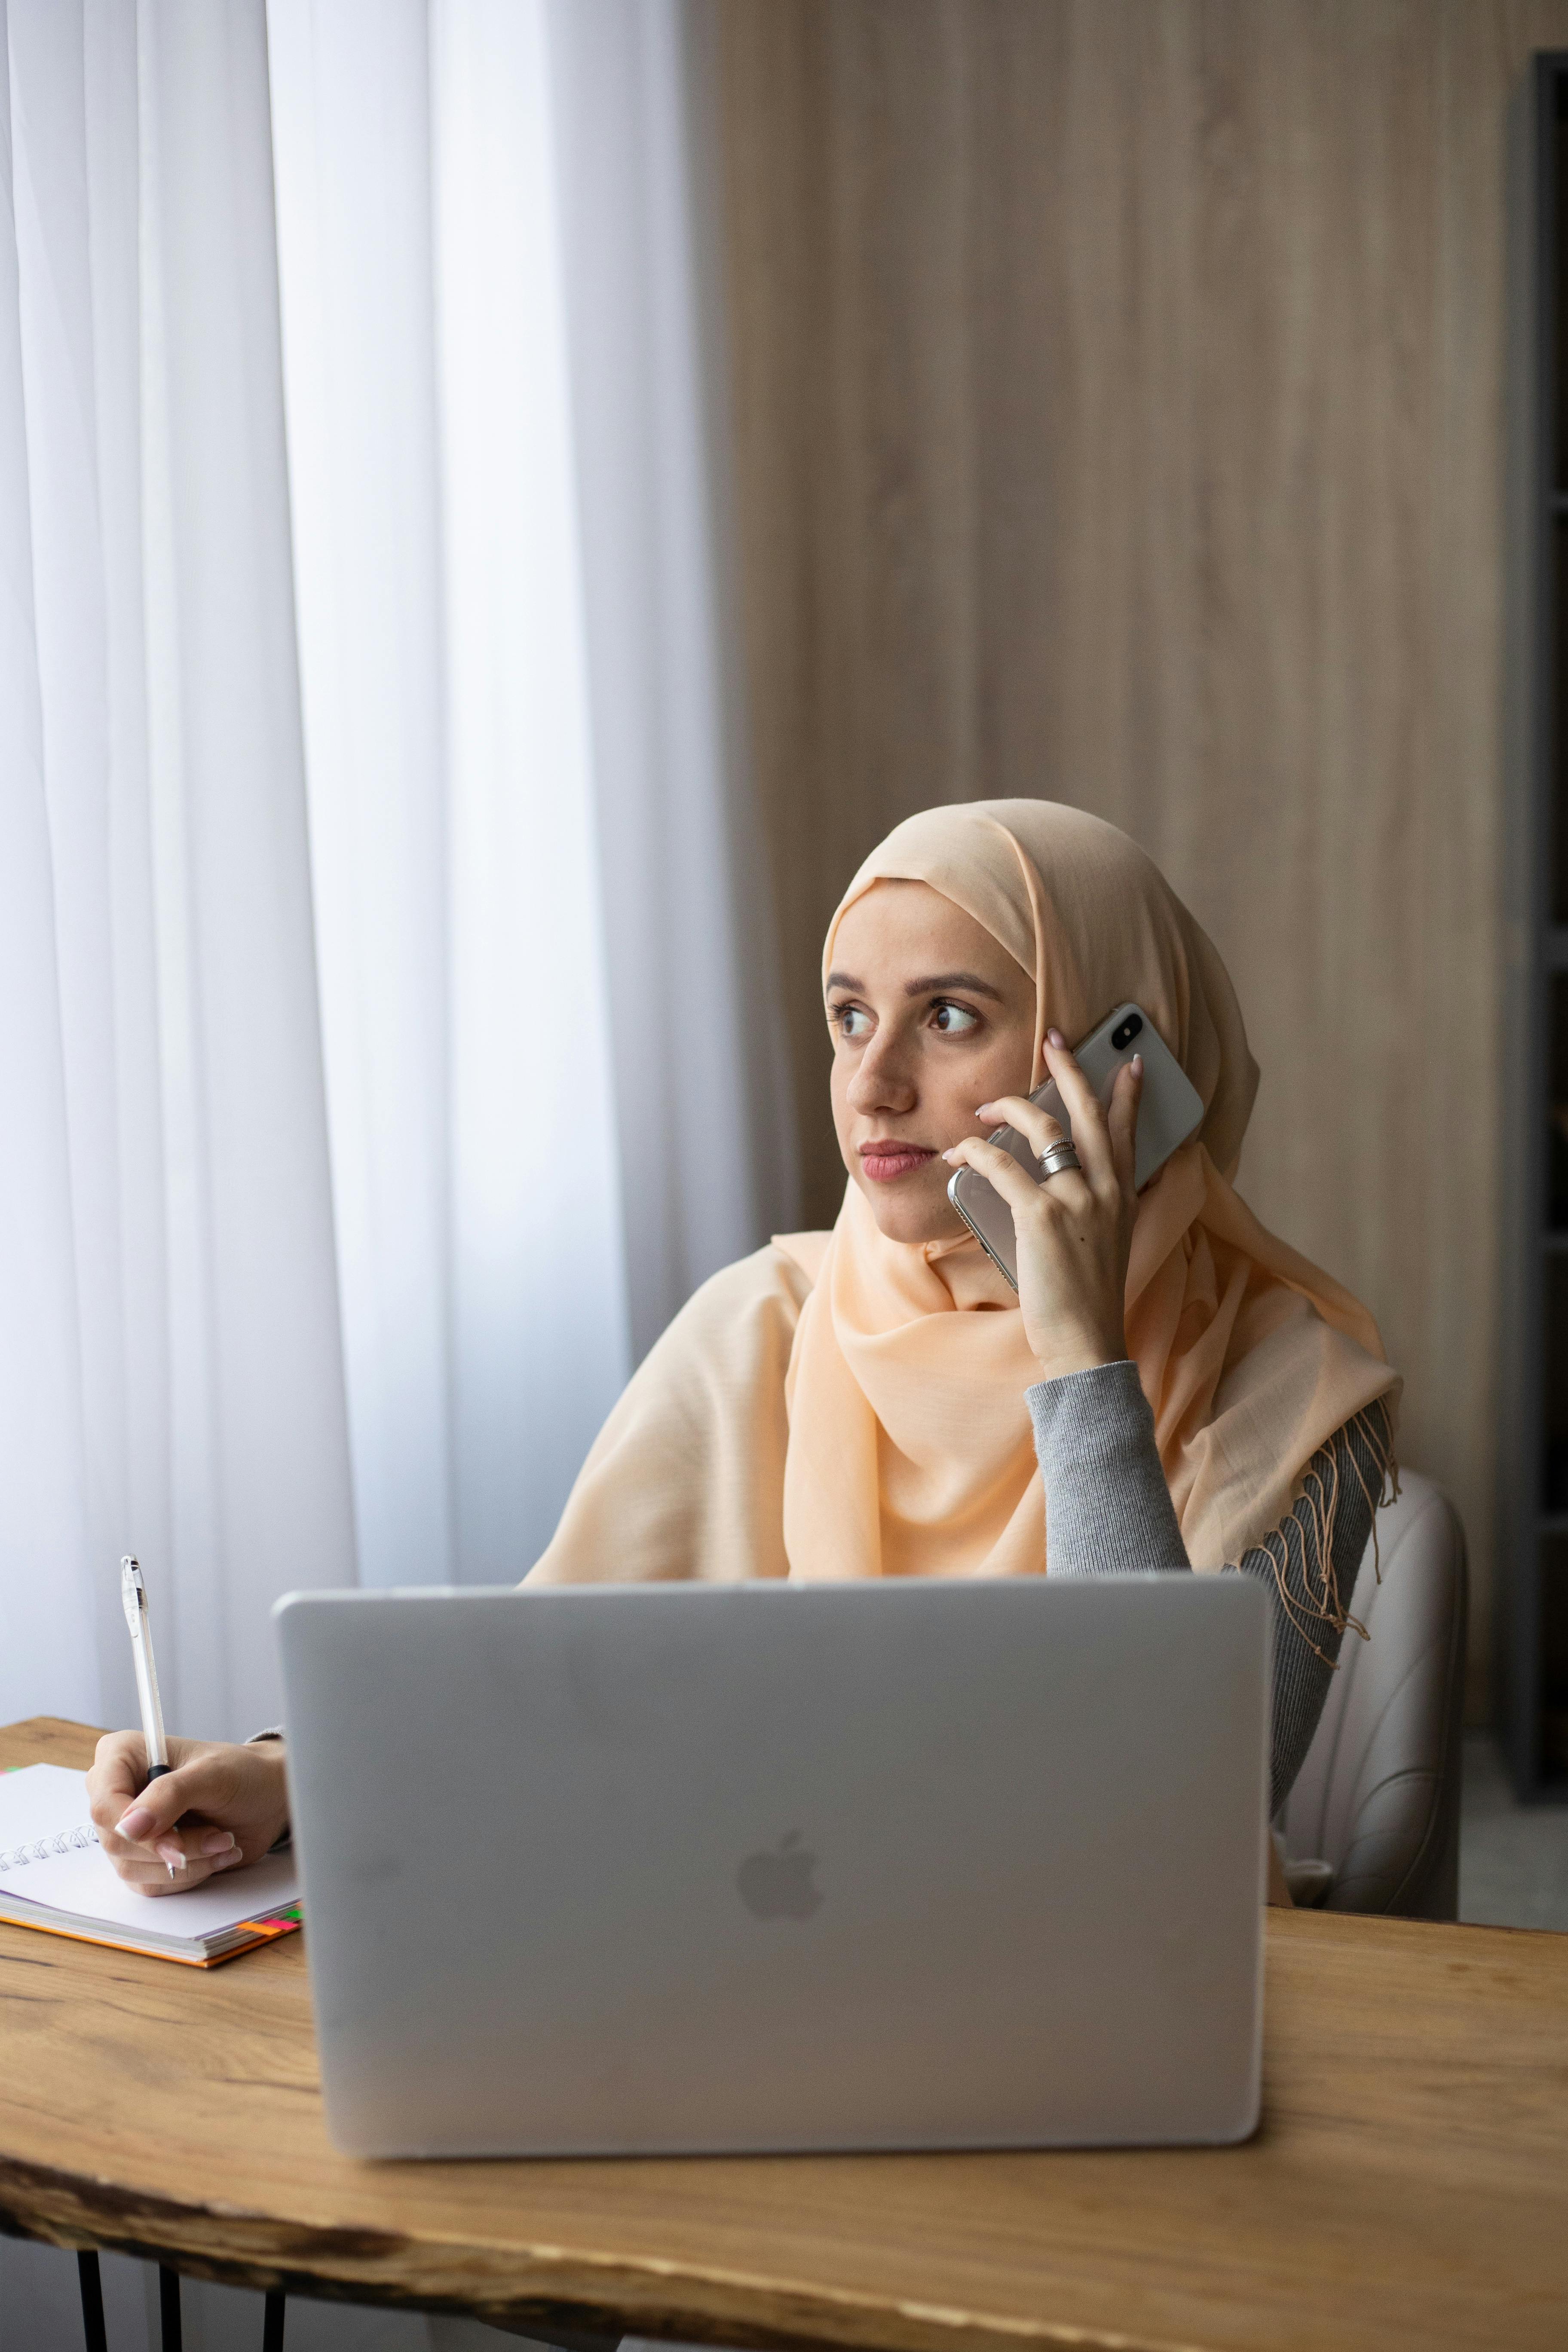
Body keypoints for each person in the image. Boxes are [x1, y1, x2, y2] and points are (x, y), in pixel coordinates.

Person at [87, 799, 1399, 1901]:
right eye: (850, 1016)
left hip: (1109, 2025)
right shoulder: (765, 1324)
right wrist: (286, 1777)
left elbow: (1157, 1832)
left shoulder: (1298, 1394)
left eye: (949, 1016)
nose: (872, 1084)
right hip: (769, 1977)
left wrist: (1082, 1357)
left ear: (1129, 1065)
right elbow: (544, 1687)